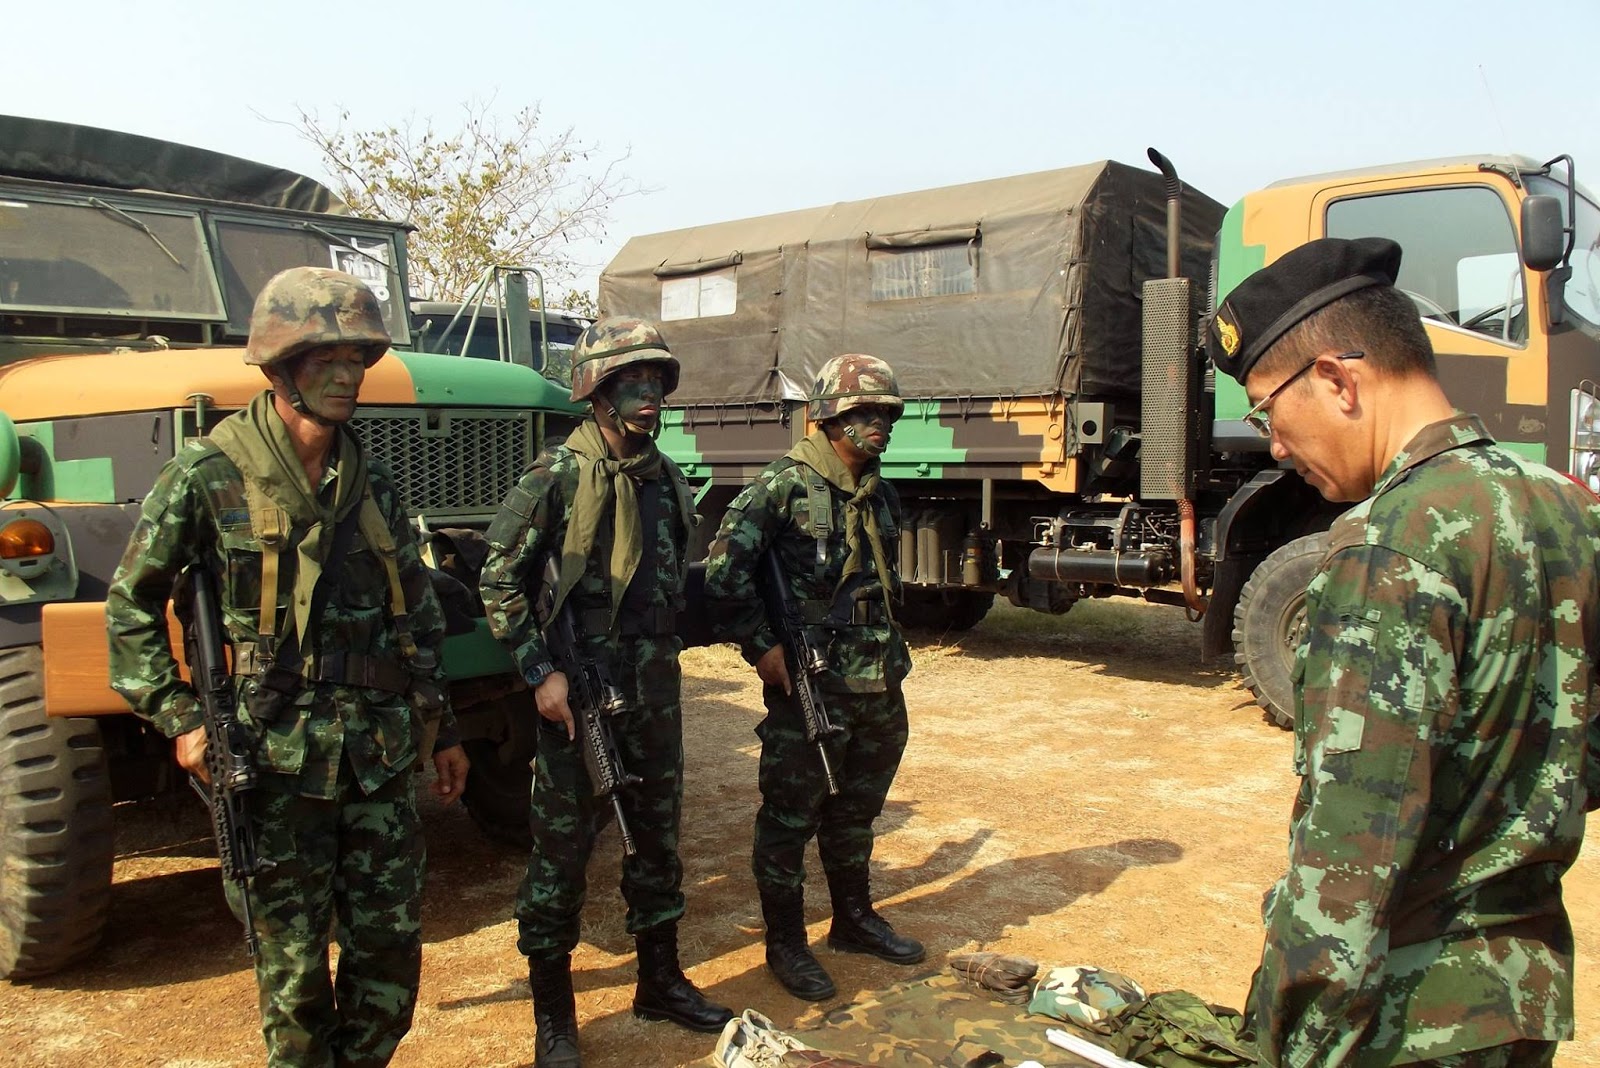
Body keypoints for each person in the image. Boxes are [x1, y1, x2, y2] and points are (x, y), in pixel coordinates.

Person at [1208, 237, 1600, 1067]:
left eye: (1266, 414)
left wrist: (1290, 1044)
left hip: (1403, 1021)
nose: (1275, 445)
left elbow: (1346, 866)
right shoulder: (1565, 508)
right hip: (1519, 1001)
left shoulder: (1385, 549)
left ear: (1338, 380)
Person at [105, 266, 471, 1068]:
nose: (346, 376)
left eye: (357, 359)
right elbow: (132, 604)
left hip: (375, 757)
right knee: (295, 980)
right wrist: (181, 719)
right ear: (278, 370)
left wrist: (439, 725)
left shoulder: (370, 477)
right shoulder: (209, 474)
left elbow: (416, 608)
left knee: (388, 960)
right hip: (270, 764)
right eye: (322, 359)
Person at [478, 316, 733, 1067]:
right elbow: (500, 581)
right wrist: (538, 671)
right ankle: (554, 1013)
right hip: (576, 692)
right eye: (632, 384)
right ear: (596, 392)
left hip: (652, 687)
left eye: (656, 384)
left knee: (656, 839)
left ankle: (659, 980)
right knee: (561, 853)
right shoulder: (553, 478)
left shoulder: (665, 476)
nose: (650, 398)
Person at [702, 353, 925, 1003]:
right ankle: (785, 943)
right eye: (865, 413)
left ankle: (853, 920)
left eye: (886, 413)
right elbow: (723, 572)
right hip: (811, 681)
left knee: (856, 811)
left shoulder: (881, 493)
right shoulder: (783, 485)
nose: (880, 423)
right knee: (789, 818)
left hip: (879, 680)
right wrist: (760, 647)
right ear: (831, 416)